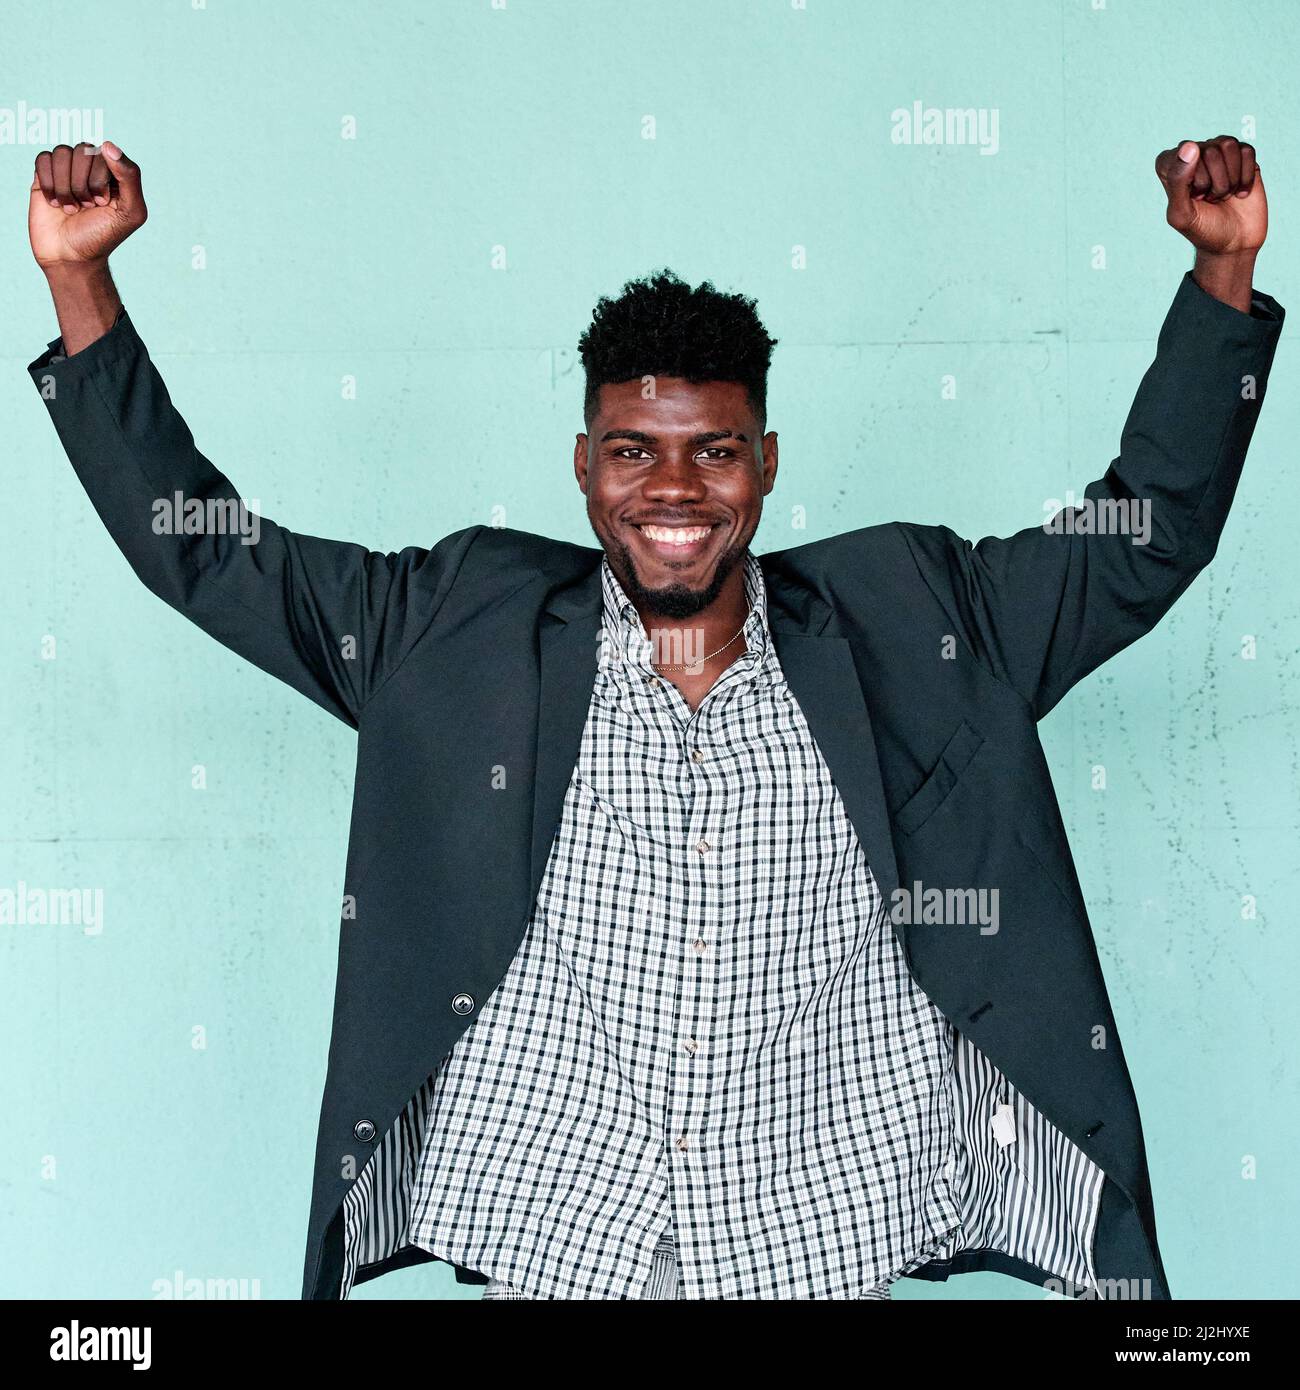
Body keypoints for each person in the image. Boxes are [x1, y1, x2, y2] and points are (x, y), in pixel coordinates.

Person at [25, 136, 1282, 1300]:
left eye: (713, 452)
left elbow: (1146, 533)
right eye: (632, 452)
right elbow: (206, 554)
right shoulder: (452, 627)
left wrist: (1219, 269)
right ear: (582, 465)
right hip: (558, 1230)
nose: (673, 489)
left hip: (818, 1230)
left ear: (768, 461)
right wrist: (82, 288)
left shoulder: (920, 615)